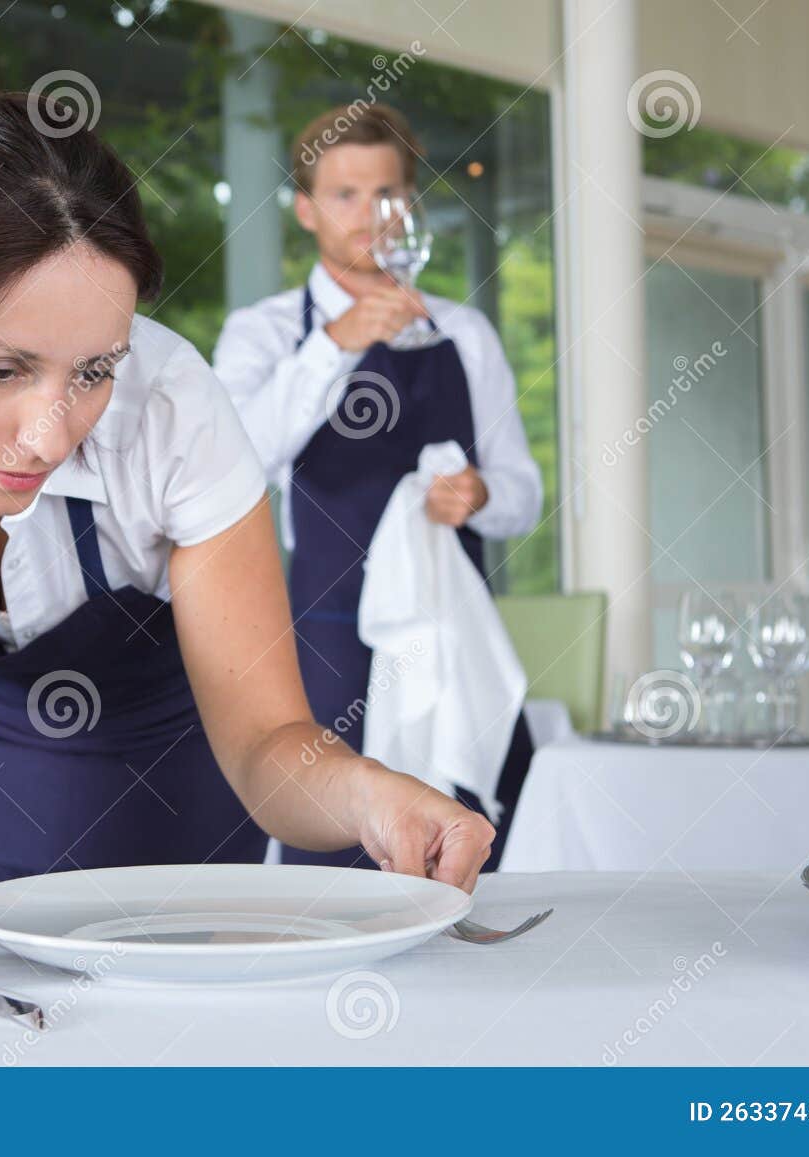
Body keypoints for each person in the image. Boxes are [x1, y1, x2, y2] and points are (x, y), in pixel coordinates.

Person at [0, 93, 496, 993]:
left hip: (172, 773)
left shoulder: (174, 409)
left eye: (94, 371)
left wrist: (366, 794)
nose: (50, 434)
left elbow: (269, 736)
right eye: (3, 370)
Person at [212, 104, 543, 872]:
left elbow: (524, 489)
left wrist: (483, 494)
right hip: (326, 643)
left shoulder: (465, 332)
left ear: (412, 206)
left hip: (454, 635)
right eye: (345, 195)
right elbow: (239, 459)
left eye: (387, 195)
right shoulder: (263, 333)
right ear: (305, 209)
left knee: (485, 849)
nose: (370, 217)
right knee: (333, 866)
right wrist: (335, 343)